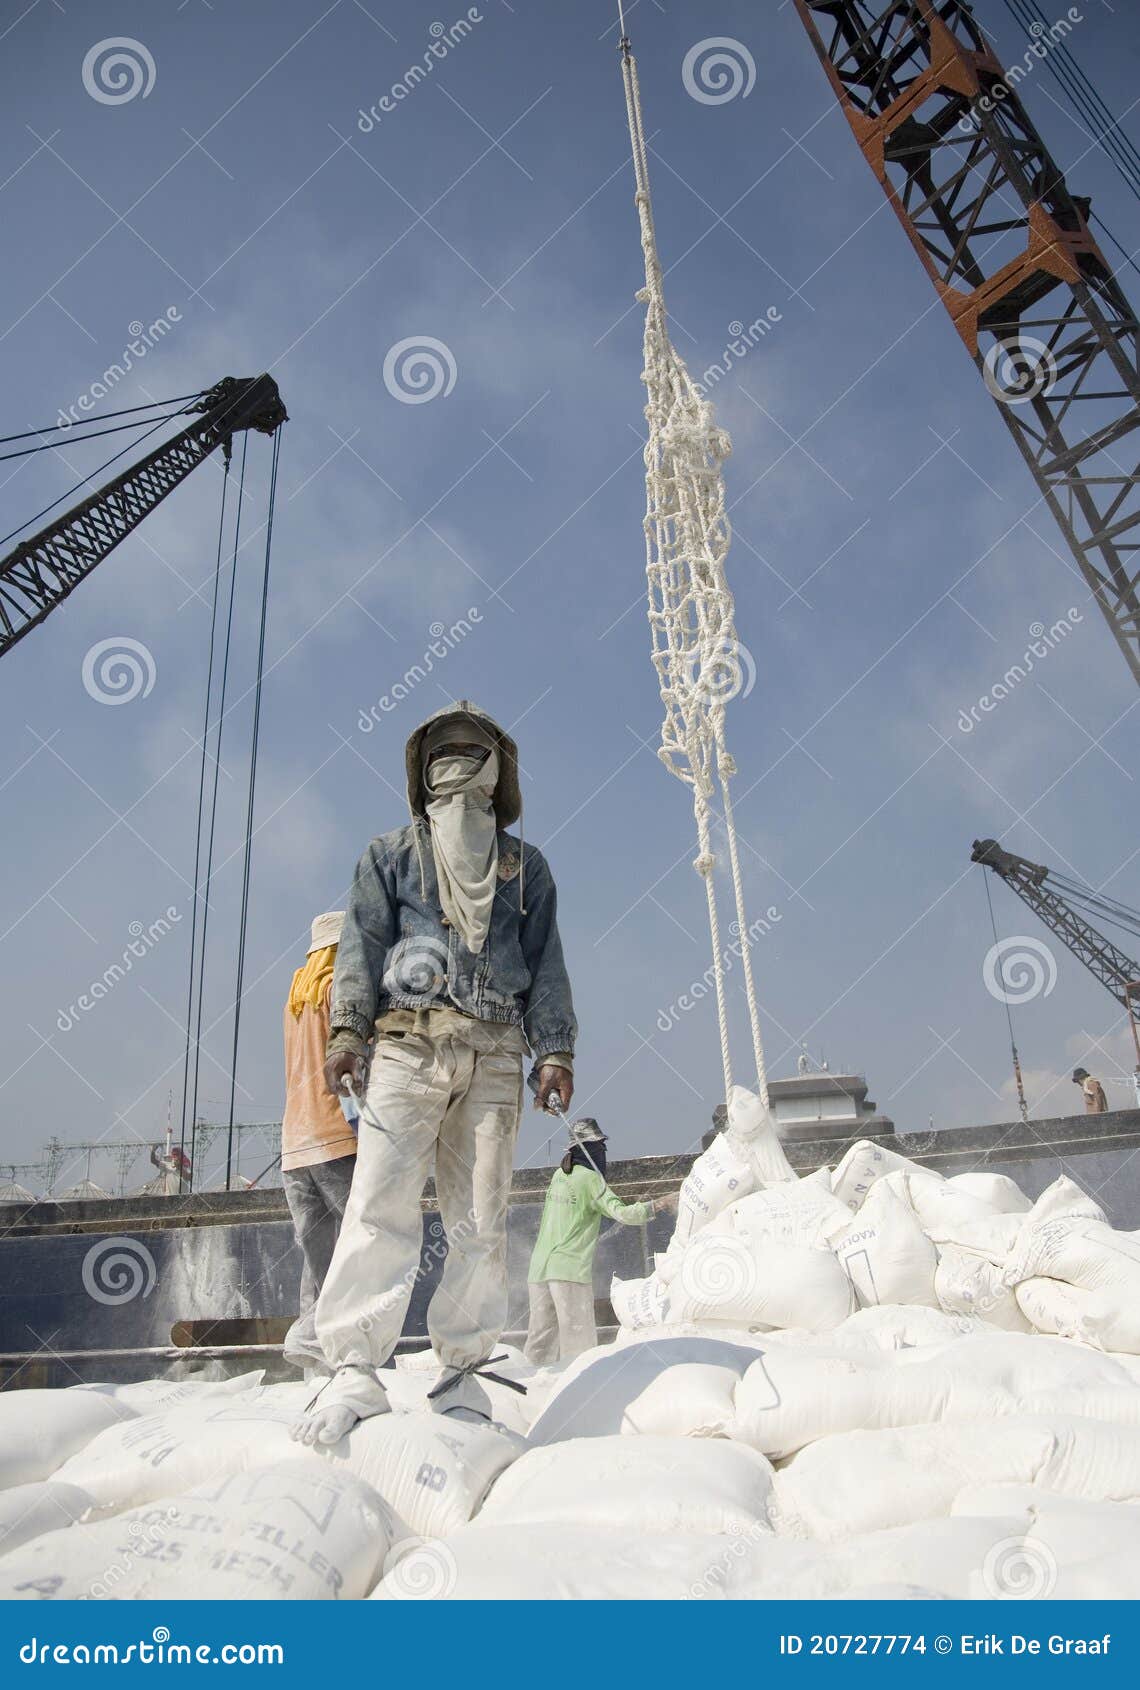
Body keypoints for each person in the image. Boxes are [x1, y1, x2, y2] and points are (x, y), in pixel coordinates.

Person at [292, 701, 577, 1445]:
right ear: (421, 770)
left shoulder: (524, 869)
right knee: (379, 1203)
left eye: (469, 749)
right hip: (407, 1046)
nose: (455, 760)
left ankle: (462, 1370)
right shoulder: (389, 856)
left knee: (480, 1217)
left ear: (495, 770)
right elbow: (360, 946)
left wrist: (554, 1051)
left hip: (493, 1051)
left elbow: (546, 963)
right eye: (442, 750)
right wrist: (348, 1031)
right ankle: (354, 1367)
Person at [524, 1118, 676, 1365]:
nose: (603, 1152)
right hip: (569, 1271)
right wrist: (659, 1204)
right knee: (578, 1343)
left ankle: (529, 1390)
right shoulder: (591, 1180)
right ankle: (582, 1393)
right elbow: (624, 1214)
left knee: (539, 1344)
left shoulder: (558, 1177)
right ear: (590, 1149)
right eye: (600, 1147)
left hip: (539, 1270)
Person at [280, 912, 359, 1373]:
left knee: (318, 1257)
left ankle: (316, 1368)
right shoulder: (336, 991)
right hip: (335, 1139)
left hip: (294, 1145)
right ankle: (313, 1336)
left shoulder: (294, 999)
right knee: (357, 1246)